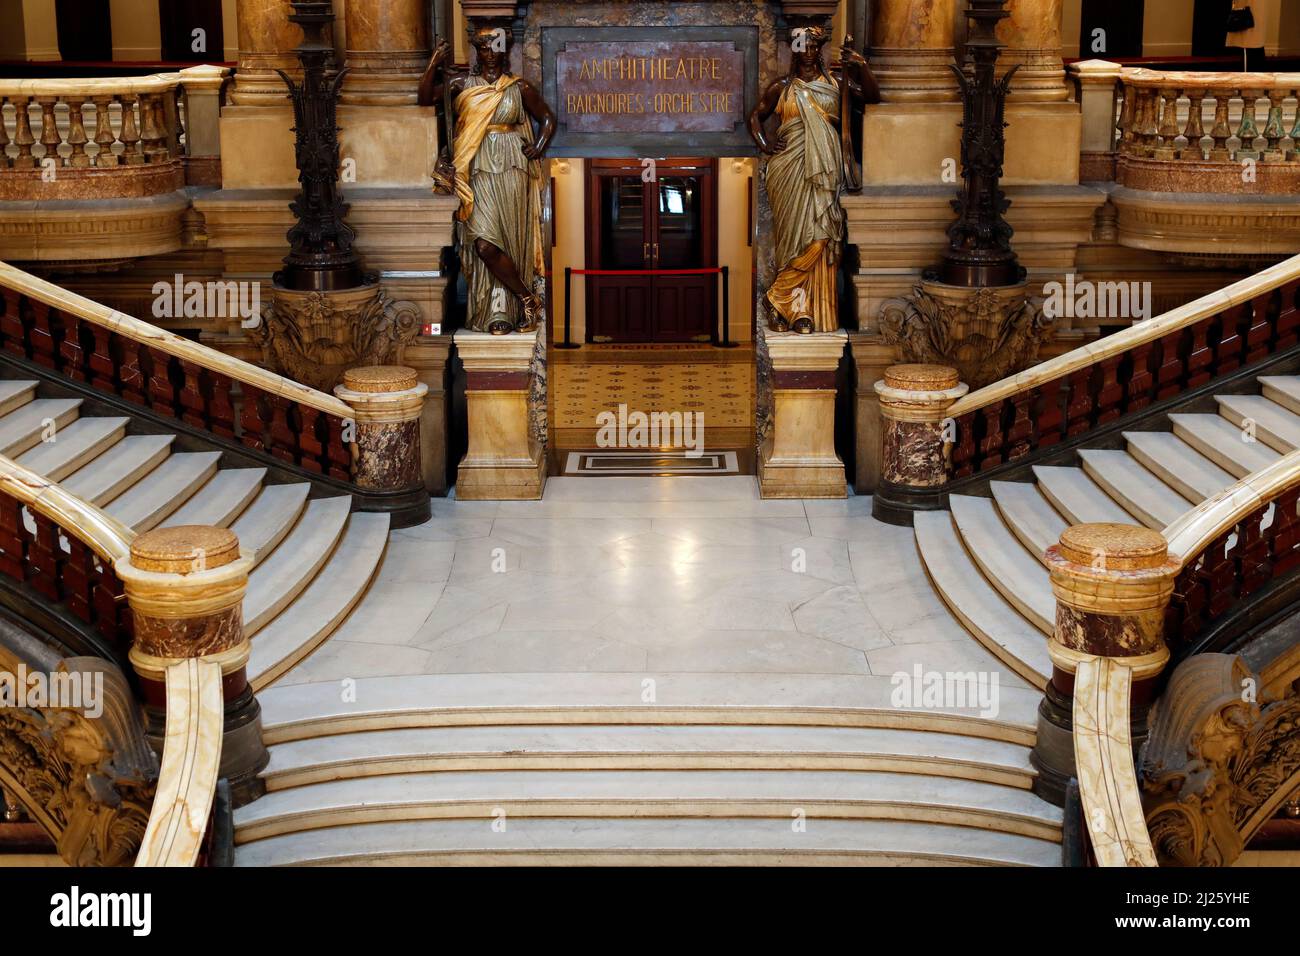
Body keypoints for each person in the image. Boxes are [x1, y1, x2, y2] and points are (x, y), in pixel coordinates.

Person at [418, 27, 556, 335]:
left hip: (513, 169)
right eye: (484, 49)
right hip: (476, 167)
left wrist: (539, 146)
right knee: (484, 245)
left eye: (495, 49)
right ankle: (526, 297)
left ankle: (505, 313)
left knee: (510, 239)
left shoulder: (518, 88)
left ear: (505, 52)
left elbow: (547, 118)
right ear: (478, 53)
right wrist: (433, 63)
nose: (490, 55)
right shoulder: (461, 83)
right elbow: (425, 98)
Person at [748, 27, 878, 334]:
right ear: (795, 50)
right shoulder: (782, 86)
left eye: (813, 46)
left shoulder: (836, 82)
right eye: (802, 46)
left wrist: (862, 66)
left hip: (825, 171)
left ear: (819, 49)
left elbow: (871, 97)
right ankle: (796, 306)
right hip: (788, 169)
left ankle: (778, 297)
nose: (807, 52)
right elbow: (756, 116)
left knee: (820, 236)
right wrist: (766, 147)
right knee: (791, 238)